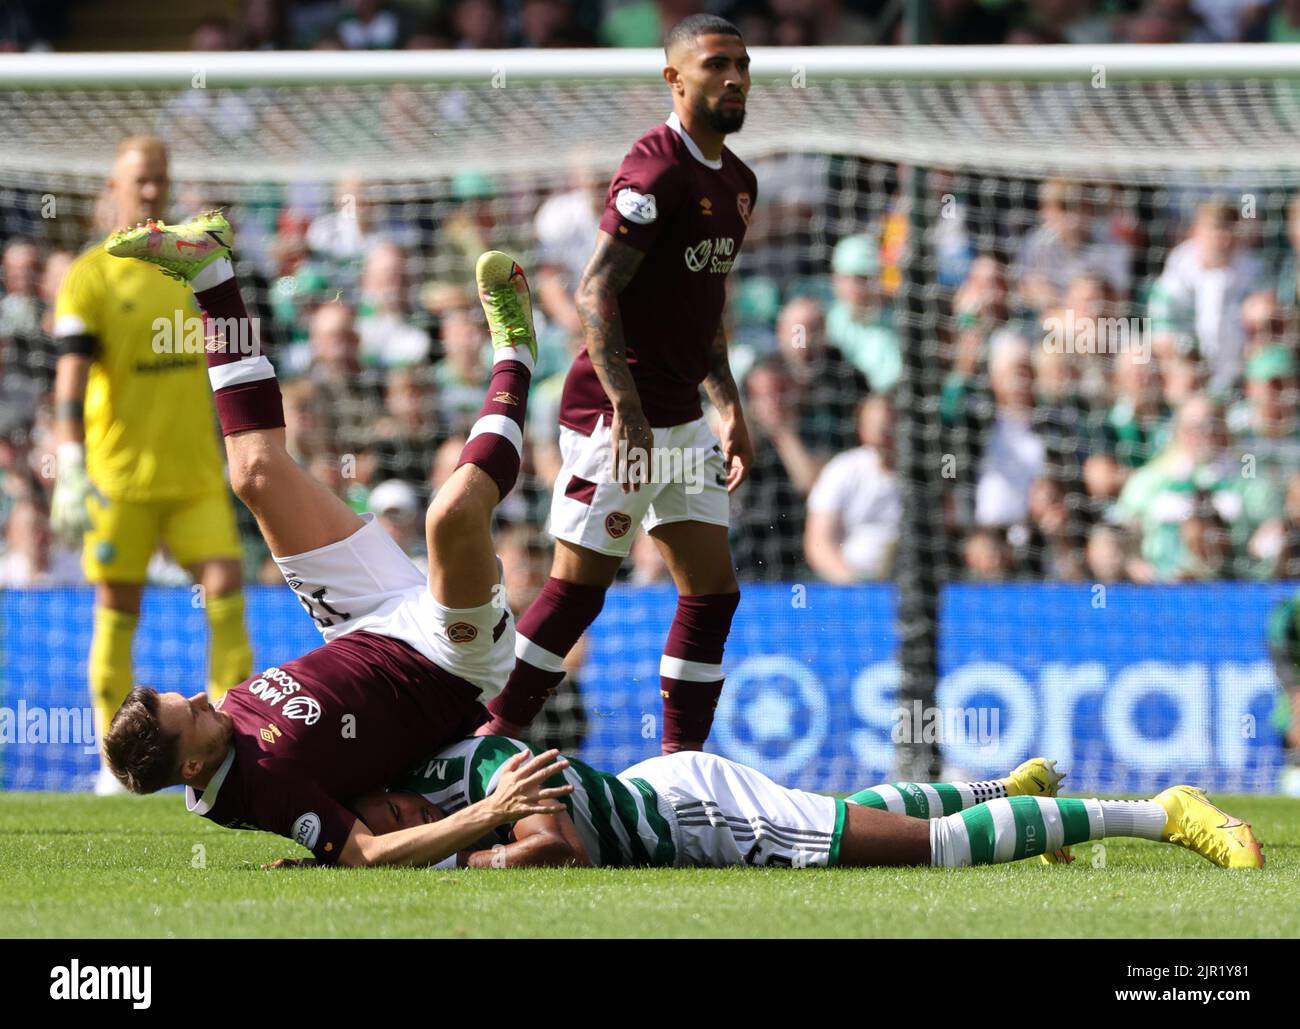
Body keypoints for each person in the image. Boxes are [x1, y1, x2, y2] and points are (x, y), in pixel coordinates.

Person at [100, 212, 570, 867]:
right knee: (451, 514)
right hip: (445, 665)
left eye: (190, 695)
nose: (209, 695)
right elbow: (367, 854)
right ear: (198, 759)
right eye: (196, 714)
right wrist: (488, 818)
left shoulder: (217, 740)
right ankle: (516, 352)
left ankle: (208, 272)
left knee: (255, 473)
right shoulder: (261, 786)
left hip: (357, 621)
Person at [483, 14, 757, 754]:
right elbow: (595, 291)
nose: (733, 77)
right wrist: (626, 411)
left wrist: (727, 404)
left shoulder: (737, 182)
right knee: (577, 592)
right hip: (616, 420)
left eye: (741, 64)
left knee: (712, 592)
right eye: (715, 65)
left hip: (682, 421)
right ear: (675, 78)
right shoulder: (654, 169)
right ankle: (488, 738)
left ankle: (681, 767)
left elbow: (707, 305)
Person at [49, 135, 252, 794]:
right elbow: (71, 374)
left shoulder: (186, 266)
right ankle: (114, 759)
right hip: (120, 477)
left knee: (224, 584)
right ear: (114, 186)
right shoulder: (92, 273)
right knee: (118, 602)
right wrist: (70, 459)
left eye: (159, 178)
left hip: (193, 470)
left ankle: (229, 735)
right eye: (138, 179)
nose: (150, 190)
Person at [346, 737, 1263, 871]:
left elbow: (557, 851)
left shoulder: (481, 761)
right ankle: (1006, 789)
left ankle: (1163, 810)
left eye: (393, 824)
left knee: (934, 850)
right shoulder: (419, 784)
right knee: (848, 808)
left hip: (696, 815)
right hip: (676, 796)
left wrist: (465, 851)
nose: (403, 839)